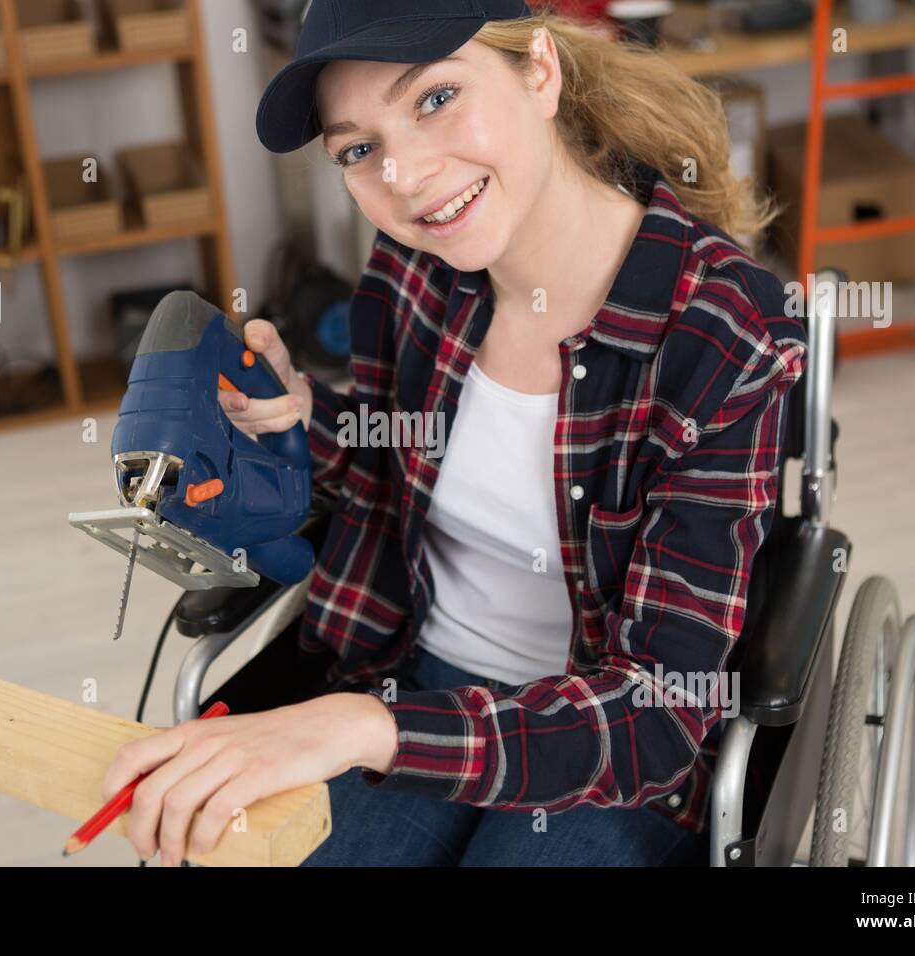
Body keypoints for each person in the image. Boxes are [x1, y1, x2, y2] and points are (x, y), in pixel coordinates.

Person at [100, 0, 807, 867]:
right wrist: (298, 417)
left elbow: (656, 713)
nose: (404, 175)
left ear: (539, 71)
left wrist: (365, 727)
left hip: (609, 743)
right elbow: (391, 470)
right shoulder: (414, 265)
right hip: (410, 672)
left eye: (435, 98)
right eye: (358, 149)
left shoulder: (725, 330)